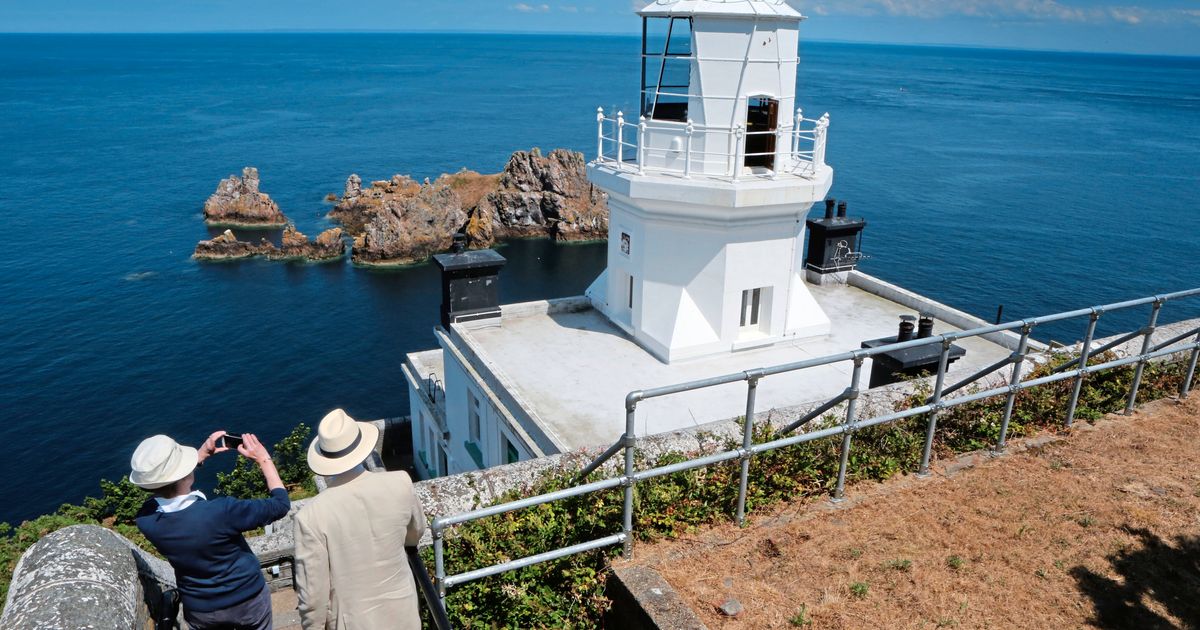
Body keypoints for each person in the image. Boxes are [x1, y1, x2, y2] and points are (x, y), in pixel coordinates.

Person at [131, 431, 290, 630]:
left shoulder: (146, 519)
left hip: (201, 610)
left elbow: (168, 497)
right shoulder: (222, 512)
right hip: (248, 600)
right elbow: (281, 504)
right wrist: (263, 459)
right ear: (185, 473)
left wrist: (199, 457)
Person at [293, 409, 427, 629]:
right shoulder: (400, 483)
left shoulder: (310, 517)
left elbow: (313, 595)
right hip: (403, 612)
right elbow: (415, 533)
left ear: (325, 458)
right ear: (362, 447)